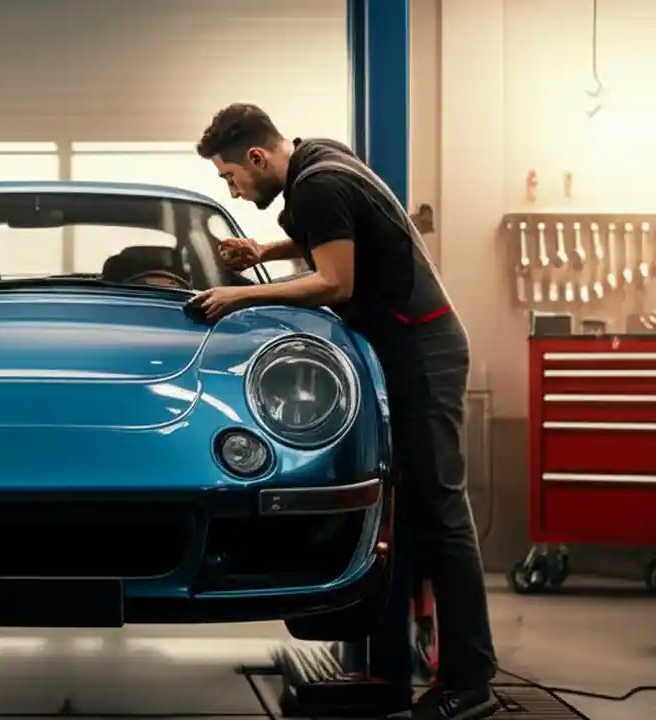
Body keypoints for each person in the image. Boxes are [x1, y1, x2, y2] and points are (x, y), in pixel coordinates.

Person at [187, 103, 500, 720]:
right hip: (408, 348)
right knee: (410, 510)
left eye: (230, 177)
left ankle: (470, 682)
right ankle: (421, 670)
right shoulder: (320, 157)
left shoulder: (318, 184)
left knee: (440, 511)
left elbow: (336, 282)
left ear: (257, 157)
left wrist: (240, 296)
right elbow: (337, 234)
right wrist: (266, 248)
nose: (233, 189)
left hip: (422, 353)